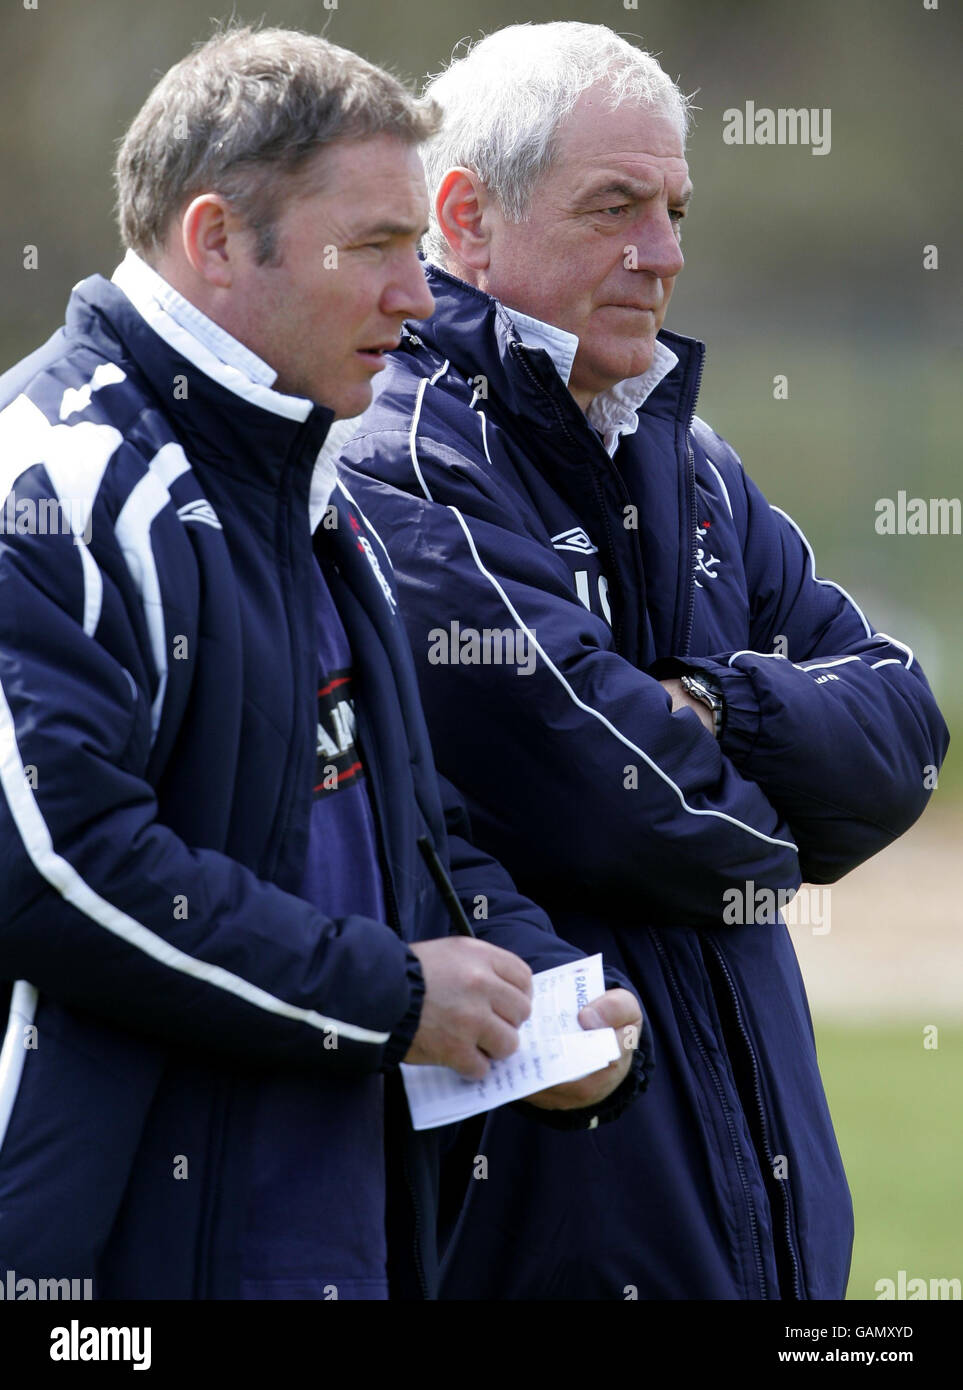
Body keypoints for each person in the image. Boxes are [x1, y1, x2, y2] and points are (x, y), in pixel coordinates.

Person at [0, 24, 647, 1302]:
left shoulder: (313, 487)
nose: (417, 298)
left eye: (419, 246)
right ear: (216, 242)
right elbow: (56, 871)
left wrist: (545, 1000)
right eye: (376, 248)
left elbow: (398, 821)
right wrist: (393, 995)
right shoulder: (55, 483)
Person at [337, 20, 950, 1299]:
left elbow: (905, 725)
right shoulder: (403, 464)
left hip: (764, 1241)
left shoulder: (692, 457)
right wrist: (783, 780)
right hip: (559, 1227)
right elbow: (631, 807)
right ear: (467, 216)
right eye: (616, 206)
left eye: (675, 208)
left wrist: (712, 703)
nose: (663, 254)